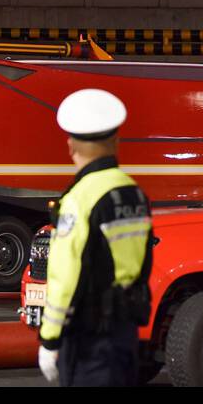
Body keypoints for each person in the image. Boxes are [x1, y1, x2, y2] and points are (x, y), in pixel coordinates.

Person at [38, 88, 153, 387]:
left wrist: (49, 339)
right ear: (116, 141)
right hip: (125, 333)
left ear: (70, 145)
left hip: (89, 340)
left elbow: (66, 276)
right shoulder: (134, 192)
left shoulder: (80, 199)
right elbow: (144, 261)